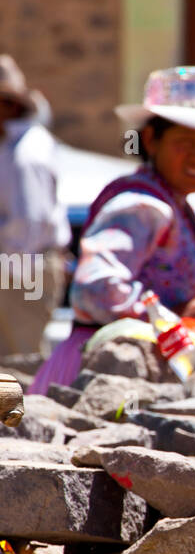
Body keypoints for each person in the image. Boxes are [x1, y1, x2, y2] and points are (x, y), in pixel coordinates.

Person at [30, 66, 195, 393]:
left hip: (163, 370)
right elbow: (95, 288)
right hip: (110, 374)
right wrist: (173, 313)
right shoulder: (141, 207)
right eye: (185, 141)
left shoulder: (193, 212)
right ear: (151, 140)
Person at [0, 56, 70, 358]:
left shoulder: (26, 154)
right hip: (19, 265)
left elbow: (28, 225)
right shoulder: (13, 148)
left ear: (8, 105)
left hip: (23, 267)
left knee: (20, 362)